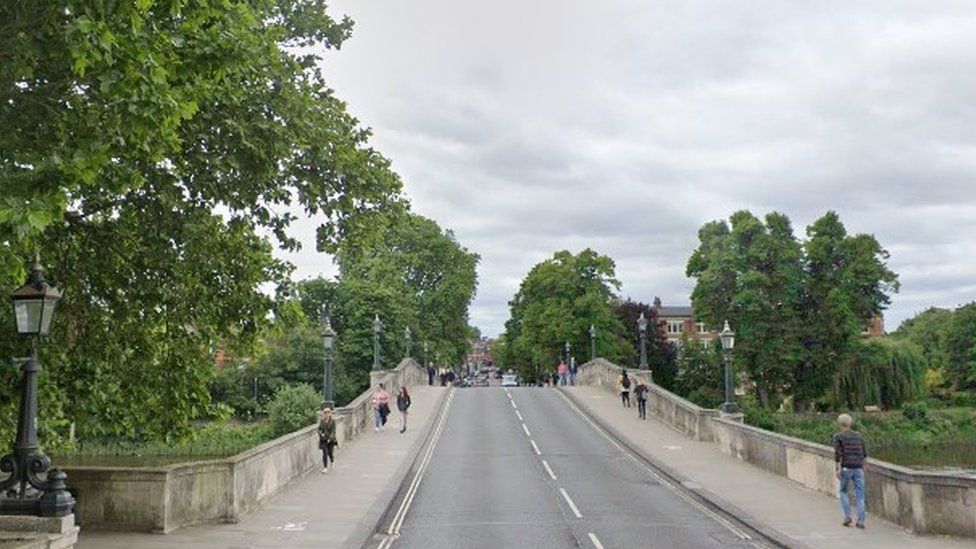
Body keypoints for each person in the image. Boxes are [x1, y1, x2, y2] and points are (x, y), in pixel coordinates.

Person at [834, 413, 868, 529]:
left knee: (843, 491)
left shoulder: (839, 436)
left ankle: (847, 516)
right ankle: (861, 521)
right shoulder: (858, 435)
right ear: (850, 423)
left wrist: (838, 469)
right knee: (860, 495)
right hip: (858, 467)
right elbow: (864, 454)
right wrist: (862, 467)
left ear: (839, 424)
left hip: (846, 467)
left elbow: (838, 454)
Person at [317, 407, 338, 473]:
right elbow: (319, 429)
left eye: (328, 413)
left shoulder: (333, 421)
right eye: (325, 413)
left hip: (330, 440)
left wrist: (330, 438)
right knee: (325, 453)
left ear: (330, 414)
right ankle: (325, 467)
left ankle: (332, 461)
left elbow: (333, 431)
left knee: (330, 452)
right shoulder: (322, 421)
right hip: (323, 439)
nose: (326, 414)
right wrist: (321, 434)